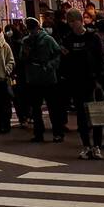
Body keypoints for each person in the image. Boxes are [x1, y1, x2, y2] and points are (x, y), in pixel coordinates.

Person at [60, 8, 104, 158]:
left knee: (96, 113)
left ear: (79, 21)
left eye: (73, 21)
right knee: (82, 115)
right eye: (69, 22)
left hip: (93, 81)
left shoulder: (93, 37)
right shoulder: (67, 39)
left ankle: (97, 146)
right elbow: (64, 62)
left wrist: (99, 79)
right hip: (76, 81)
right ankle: (86, 145)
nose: (72, 24)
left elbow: (101, 59)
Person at [19, 15, 65, 143]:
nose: (32, 31)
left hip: (48, 77)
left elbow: (57, 54)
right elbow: (22, 58)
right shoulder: (26, 41)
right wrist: (25, 54)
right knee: (35, 108)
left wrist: (50, 66)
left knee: (53, 107)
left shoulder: (48, 40)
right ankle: (38, 132)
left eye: (33, 28)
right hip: (33, 77)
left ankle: (58, 132)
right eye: (30, 29)